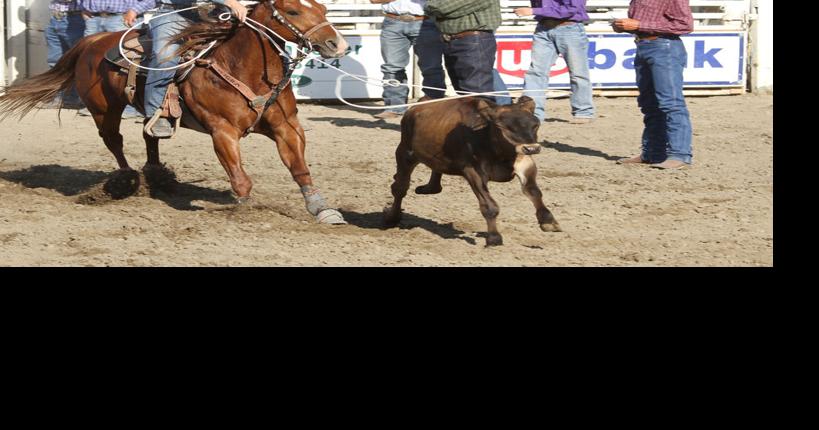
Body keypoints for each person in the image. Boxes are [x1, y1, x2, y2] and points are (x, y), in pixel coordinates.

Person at [144, 0, 247, 138]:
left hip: (214, 13)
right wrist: (231, 2)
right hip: (173, 12)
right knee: (165, 56)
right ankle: (156, 111)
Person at [613, 0, 694, 170]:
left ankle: (679, 154)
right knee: (649, 104)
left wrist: (639, 24)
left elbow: (685, 24)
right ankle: (652, 153)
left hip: (664, 46)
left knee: (671, 103)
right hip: (645, 45)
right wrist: (625, 26)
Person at [514, 0, 594, 123]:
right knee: (536, 71)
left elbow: (572, 8)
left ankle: (583, 112)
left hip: (568, 27)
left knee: (578, 73)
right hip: (546, 27)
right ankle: (533, 113)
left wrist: (534, 11)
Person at [77, 0, 155, 119]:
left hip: (121, 18)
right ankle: (96, 103)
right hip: (94, 18)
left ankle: (130, 106)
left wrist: (134, 10)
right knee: (91, 64)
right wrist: (82, 5)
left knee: (124, 64)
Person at [370, 0, 447, 119]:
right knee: (392, 67)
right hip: (393, 21)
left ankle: (434, 105)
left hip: (425, 21)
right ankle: (395, 107)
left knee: (431, 67)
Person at [424, 0, 502, 103]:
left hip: (472, 39)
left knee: (476, 94)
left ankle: (484, 118)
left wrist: (431, 7)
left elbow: (441, 8)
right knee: (464, 93)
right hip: (455, 39)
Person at [43, 0, 85, 109]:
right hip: (55, 18)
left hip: (75, 19)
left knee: (76, 61)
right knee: (55, 62)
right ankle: (59, 97)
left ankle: (74, 98)